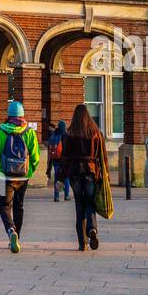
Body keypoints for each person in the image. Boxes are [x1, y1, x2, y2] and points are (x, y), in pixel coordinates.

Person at [0, 100, 40, 254]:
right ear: (22, 115)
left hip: (5, 176)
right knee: (19, 206)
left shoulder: (0, 132)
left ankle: (11, 230)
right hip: (23, 176)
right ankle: (18, 236)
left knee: (4, 206)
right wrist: (30, 170)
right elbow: (35, 156)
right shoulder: (29, 132)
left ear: (8, 116)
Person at [59, 103, 108, 250]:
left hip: (75, 174)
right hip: (91, 173)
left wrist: (61, 178)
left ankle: (82, 243)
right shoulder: (95, 133)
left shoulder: (69, 134)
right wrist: (104, 174)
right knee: (90, 203)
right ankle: (92, 228)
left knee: (79, 207)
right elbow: (102, 155)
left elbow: (65, 157)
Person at [47, 120, 70, 201]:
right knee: (66, 178)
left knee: (57, 178)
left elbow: (49, 147)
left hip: (55, 160)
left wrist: (49, 167)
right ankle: (66, 195)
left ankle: (56, 197)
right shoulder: (66, 135)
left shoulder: (54, 135)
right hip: (65, 161)